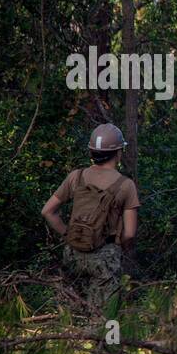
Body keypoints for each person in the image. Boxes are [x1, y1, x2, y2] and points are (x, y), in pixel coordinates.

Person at [41, 124, 140, 314]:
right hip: (105, 258)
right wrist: (120, 249)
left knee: (72, 314)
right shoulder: (126, 185)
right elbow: (129, 233)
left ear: (92, 151)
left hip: (72, 255)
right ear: (119, 152)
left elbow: (48, 211)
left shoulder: (75, 177)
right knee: (102, 318)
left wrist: (67, 235)